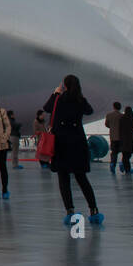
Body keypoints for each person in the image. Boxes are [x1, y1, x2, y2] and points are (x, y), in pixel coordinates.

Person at [43, 75, 103, 224]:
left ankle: (70, 211)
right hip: (77, 142)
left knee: (63, 179)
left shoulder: (58, 99)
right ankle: (93, 210)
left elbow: (46, 108)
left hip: (61, 143)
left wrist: (56, 93)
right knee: (81, 177)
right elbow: (89, 111)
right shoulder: (80, 100)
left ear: (64, 85)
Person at [104, 102, 123, 172]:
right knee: (123, 151)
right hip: (121, 137)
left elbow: (106, 124)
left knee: (114, 152)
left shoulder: (109, 115)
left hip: (113, 136)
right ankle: (122, 163)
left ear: (113, 107)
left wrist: (112, 127)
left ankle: (112, 164)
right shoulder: (122, 116)